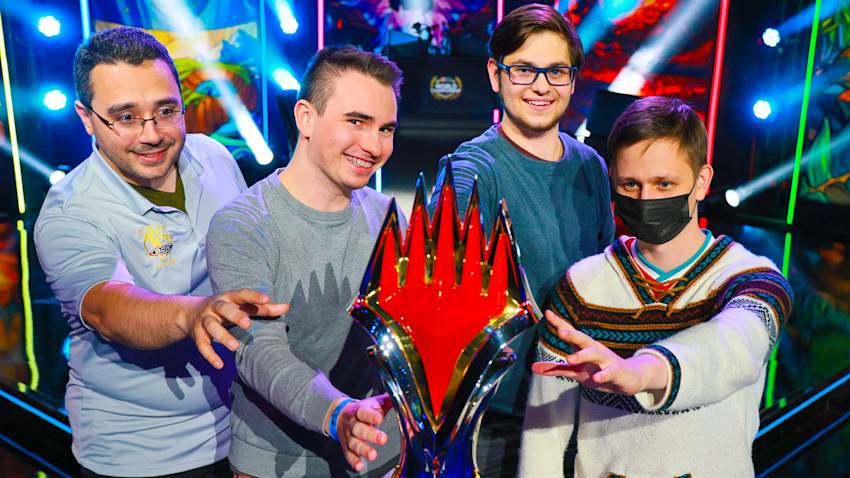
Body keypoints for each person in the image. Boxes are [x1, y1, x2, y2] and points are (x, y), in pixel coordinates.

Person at [34, 27, 287, 477]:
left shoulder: (213, 157)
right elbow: (109, 309)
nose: (151, 134)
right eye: (126, 117)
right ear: (87, 118)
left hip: (241, 431)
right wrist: (194, 314)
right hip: (142, 455)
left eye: (165, 111)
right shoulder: (69, 212)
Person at [520, 96, 793, 477]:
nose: (646, 199)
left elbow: (734, 344)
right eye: (631, 184)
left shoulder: (751, 279)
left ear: (701, 181)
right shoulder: (581, 287)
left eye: (665, 184)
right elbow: (544, 433)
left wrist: (642, 373)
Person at [426, 4, 615, 476]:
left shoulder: (591, 166)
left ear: (572, 79)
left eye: (556, 71)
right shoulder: (472, 169)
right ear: (496, 74)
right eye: (524, 69)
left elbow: (607, 275)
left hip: (581, 403)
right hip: (498, 418)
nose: (540, 86)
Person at [205, 45, 404, 478]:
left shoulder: (390, 216)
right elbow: (258, 351)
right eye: (356, 122)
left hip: (381, 454)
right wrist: (339, 414)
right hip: (281, 463)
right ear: (305, 117)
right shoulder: (243, 224)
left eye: (385, 129)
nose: (373, 145)